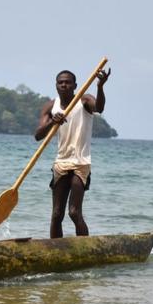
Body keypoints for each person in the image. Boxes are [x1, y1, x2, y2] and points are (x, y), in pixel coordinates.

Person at [34, 67, 110, 238]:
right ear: (56, 85)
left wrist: (100, 87)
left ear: (75, 85)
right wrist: (52, 122)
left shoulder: (84, 100)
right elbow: (38, 135)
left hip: (81, 163)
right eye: (60, 82)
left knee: (74, 212)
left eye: (68, 82)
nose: (64, 85)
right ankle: (55, 251)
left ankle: (85, 249)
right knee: (56, 215)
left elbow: (99, 108)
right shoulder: (50, 107)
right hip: (61, 163)